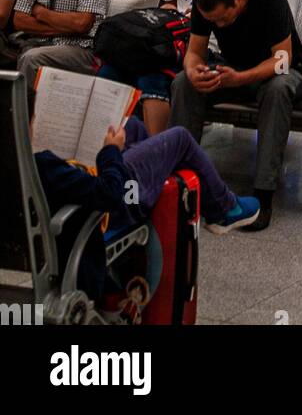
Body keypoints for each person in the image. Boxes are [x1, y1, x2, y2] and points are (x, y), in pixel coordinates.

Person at [36, 113, 261, 309]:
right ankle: (224, 209)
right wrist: (110, 152)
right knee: (179, 138)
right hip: (112, 205)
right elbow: (110, 194)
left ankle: (153, 196)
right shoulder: (42, 164)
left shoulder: (19, 158)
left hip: (76, 193)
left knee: (131, 126)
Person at [170, 0, 302, 230]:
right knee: (182, 83)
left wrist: (241, 78)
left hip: (281, 71)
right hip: (234, 69)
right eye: (215, 22)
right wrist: (193, 71)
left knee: (277, 90)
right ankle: (181, 182)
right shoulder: (207, 0)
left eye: (224, 19)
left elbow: (283, 60)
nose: (221, 26)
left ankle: (263, 194)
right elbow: (195, 52)